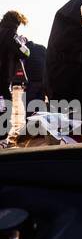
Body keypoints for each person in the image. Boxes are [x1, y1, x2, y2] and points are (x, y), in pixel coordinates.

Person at [0, 11, 31, 148]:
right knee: (5, 107)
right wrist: (23, 44)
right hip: (1, 79)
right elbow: (25, 53)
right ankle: (2, 139)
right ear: (16, 23)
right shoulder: (9, 34)